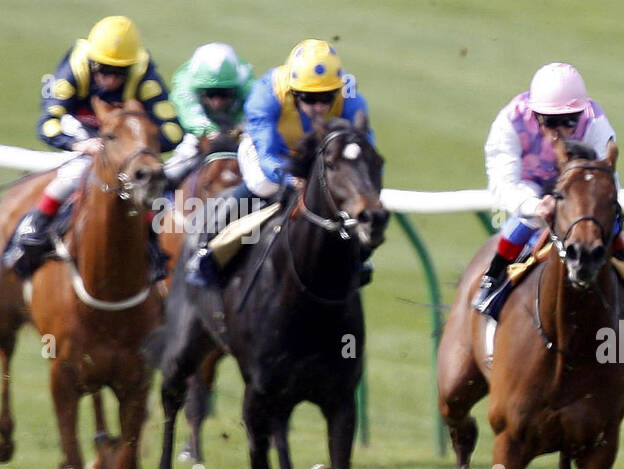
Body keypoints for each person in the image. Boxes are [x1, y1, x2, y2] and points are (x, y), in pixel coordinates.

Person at [4, 16, 182, 280]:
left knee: (148, 184)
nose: (109, 79)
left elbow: (173, 130)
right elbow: (48, 123)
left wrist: (139, 146)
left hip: (124, 137)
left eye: (118, 73)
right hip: (80, 128)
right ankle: (34, 227)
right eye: (103, 70)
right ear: (91, 62)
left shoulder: (145, 76)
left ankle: (151, 244)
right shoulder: (73, 68)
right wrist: (78, 143)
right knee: (76, 172)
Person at [475, 62, 624, 322]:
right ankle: (493, 278)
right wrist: (534, 206)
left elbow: (607, 179)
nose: (560, 132)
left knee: (604, 222)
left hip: (577, 188)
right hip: (531, 186)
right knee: (527, 219)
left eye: (570, 121)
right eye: (550, 122)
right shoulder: (511, 122)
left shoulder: (595, 121)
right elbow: (503, 182)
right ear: (535, 115)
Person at [185, 39, 373, 287]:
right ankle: (206, 247)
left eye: (326, 98)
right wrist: (289, 179)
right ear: (294, 92)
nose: (318, 107)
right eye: (309, 97)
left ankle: (357, 257)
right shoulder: (268, 92)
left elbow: (364, 147)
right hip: (271, 151)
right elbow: (267, 155)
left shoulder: (350, 97)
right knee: (263, 184)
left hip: (318, 154)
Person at [163, 42, 256, 186]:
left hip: (237, 129)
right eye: (210, 94)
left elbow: (253, 115)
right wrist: (212, 132)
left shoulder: (248, 85)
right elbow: (192, 117)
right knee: (172, 171)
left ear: (236, 89)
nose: (217, 102)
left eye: (224, 94)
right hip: (198, 134)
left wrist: (240, 130)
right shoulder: (185, 85)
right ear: (198, 90)